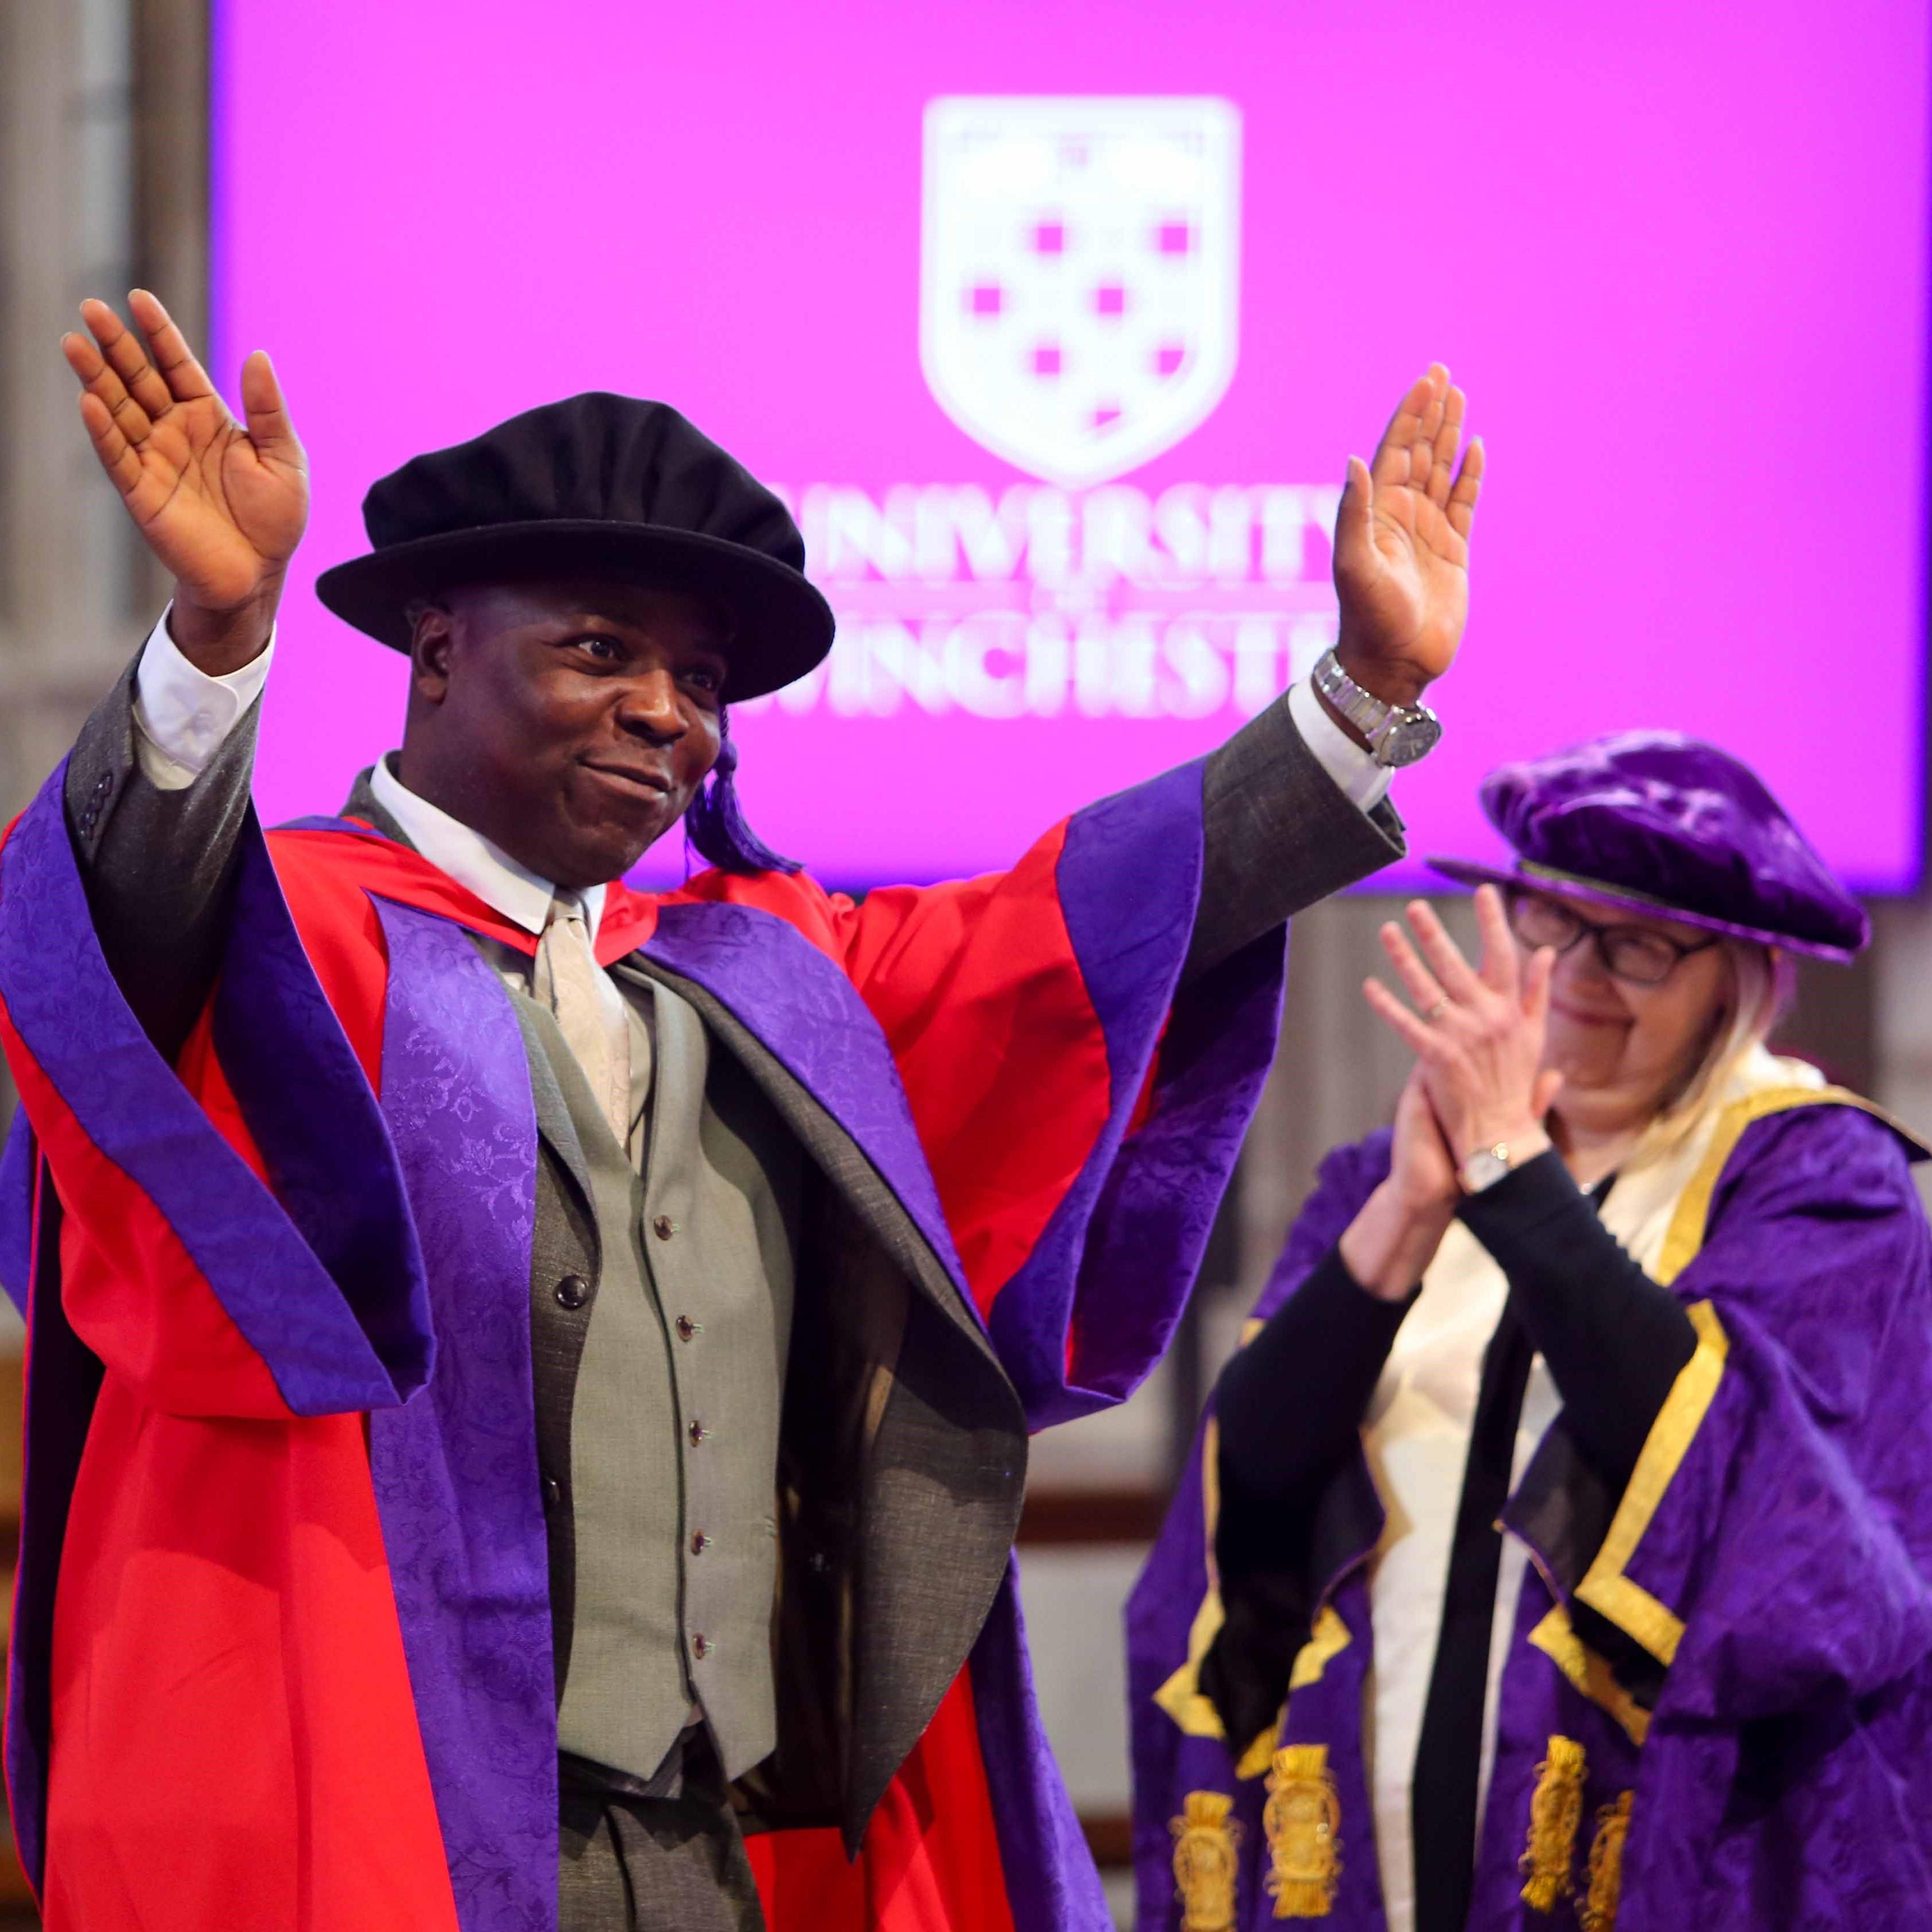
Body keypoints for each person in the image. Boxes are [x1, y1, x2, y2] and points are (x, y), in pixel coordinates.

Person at [0, 292, 1483, 1932]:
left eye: (698, 679)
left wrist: (1355, 698)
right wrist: (216, 644)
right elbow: (121, 941)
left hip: (718, 1850)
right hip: (383, 1803)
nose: (667, 713)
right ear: (436, 650)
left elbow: (1068, 939)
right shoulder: (290, 943)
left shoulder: (760, 976)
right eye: (600, 650)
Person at [1129, 732, 1932, 1931]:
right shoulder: (1380, 1177)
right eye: (1549, 923)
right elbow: (1248, 1478)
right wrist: (1405, 1219)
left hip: (1668, 1843)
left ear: (1743, 973)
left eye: (1638, 945)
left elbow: (1738, 1490)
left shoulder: (1818, 1178)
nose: (1579, 976)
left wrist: (1510, 1168)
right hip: (1368, 1841)